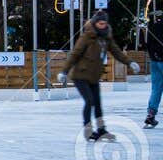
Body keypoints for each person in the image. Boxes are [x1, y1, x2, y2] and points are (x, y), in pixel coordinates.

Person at [58, 10, 140, 140]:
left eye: (105, 23)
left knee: (98, 104)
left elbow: (117, 52)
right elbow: (75, 54)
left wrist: (130, 63)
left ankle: (101, 130)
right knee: (89, 101)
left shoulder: (106, 37)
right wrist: (64, 71)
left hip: (94, 77)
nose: (103, 25)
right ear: (95, 23)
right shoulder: (86, 37)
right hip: (80, 76)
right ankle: (88, 131)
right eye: (100, 23)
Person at [143, 12, 163, 129]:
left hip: (154, 60)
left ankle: (151, 114)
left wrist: (152, 55)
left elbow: (148, 42)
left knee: (156, 88)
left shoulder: (153, 24)